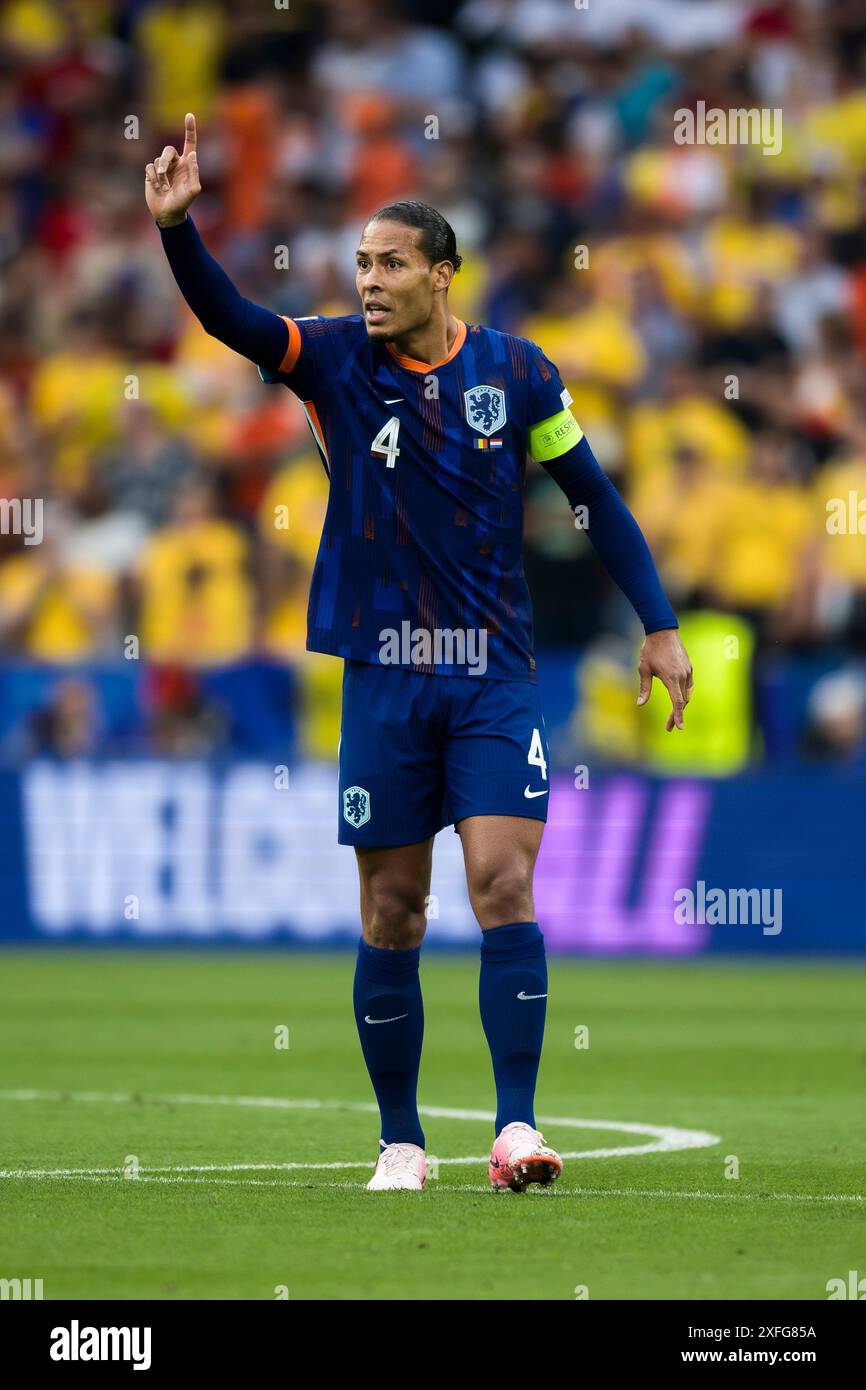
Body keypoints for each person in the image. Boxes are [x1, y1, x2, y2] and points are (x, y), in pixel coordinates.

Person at [146, 115, 693, 1193]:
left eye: (390, 264)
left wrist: (658, 621)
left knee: (502, 881)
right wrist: (177, 230)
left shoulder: (518, 374)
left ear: (443, 274)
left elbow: (592, 497)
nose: (368, 280)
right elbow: (234, 319)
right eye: (358, 263)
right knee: (393, 908)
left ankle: (516, 1129)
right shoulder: (336, 362)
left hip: (490, 672)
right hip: (384, 675)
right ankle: (400, 1138)